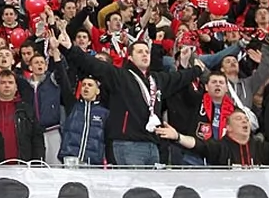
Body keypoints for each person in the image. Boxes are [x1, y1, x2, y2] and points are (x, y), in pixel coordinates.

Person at [64, 41, 206, 165]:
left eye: (146, 52)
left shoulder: (157, 80)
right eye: (139, 52)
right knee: (135, 193)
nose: (145, 55)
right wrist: (70, 48)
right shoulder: (120, 76)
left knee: (150, 193)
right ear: (130, 57)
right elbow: (92, 64)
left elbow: (178, 79)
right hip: (128, 144)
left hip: (153, 146)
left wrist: (194, 69)